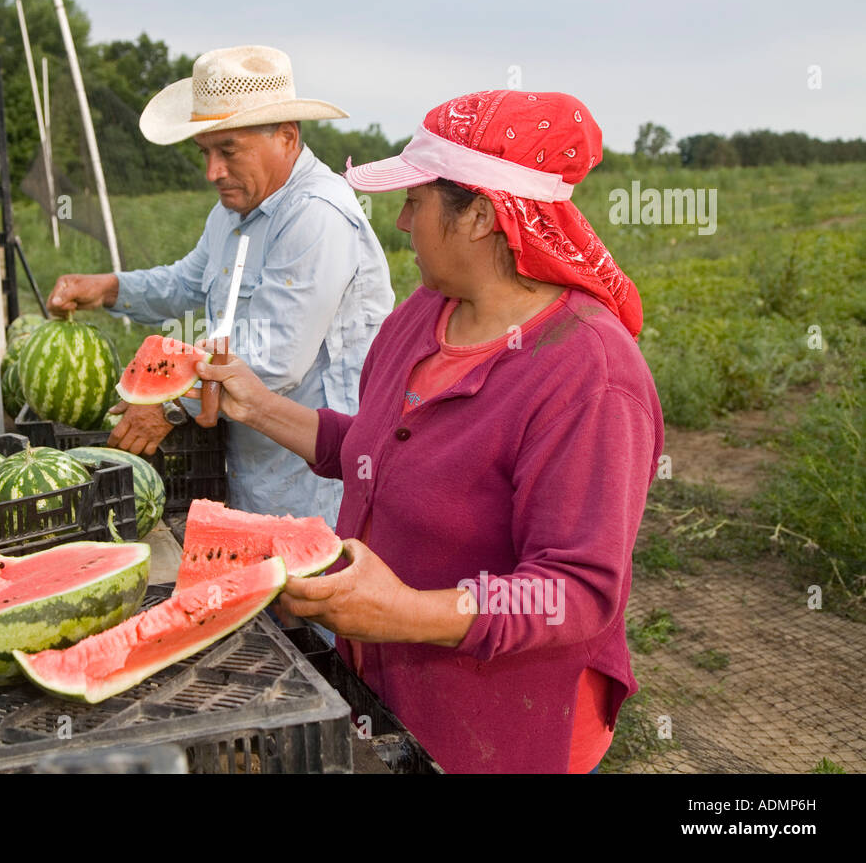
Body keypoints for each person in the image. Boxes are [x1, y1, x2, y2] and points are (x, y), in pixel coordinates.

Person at [192, 90, 665, 773]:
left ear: (480, 215)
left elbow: (577, 591)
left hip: (504, 728)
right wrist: (256, 403)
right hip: (387, 690)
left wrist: (406, 612)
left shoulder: (588, 373)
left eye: (416, 202)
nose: (402, 222)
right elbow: (371, 453)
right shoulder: (422, 315)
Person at [46, 46, 394, 523]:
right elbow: (189, 281)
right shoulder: (234, 210)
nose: (213, 172)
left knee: (308, 588)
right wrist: (108, 288)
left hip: (316, 478)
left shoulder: (315, 216)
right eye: (205, 152)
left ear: (287, 138)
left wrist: (168, 404)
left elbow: (274, 356)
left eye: (228, 151)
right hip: (251, 463)